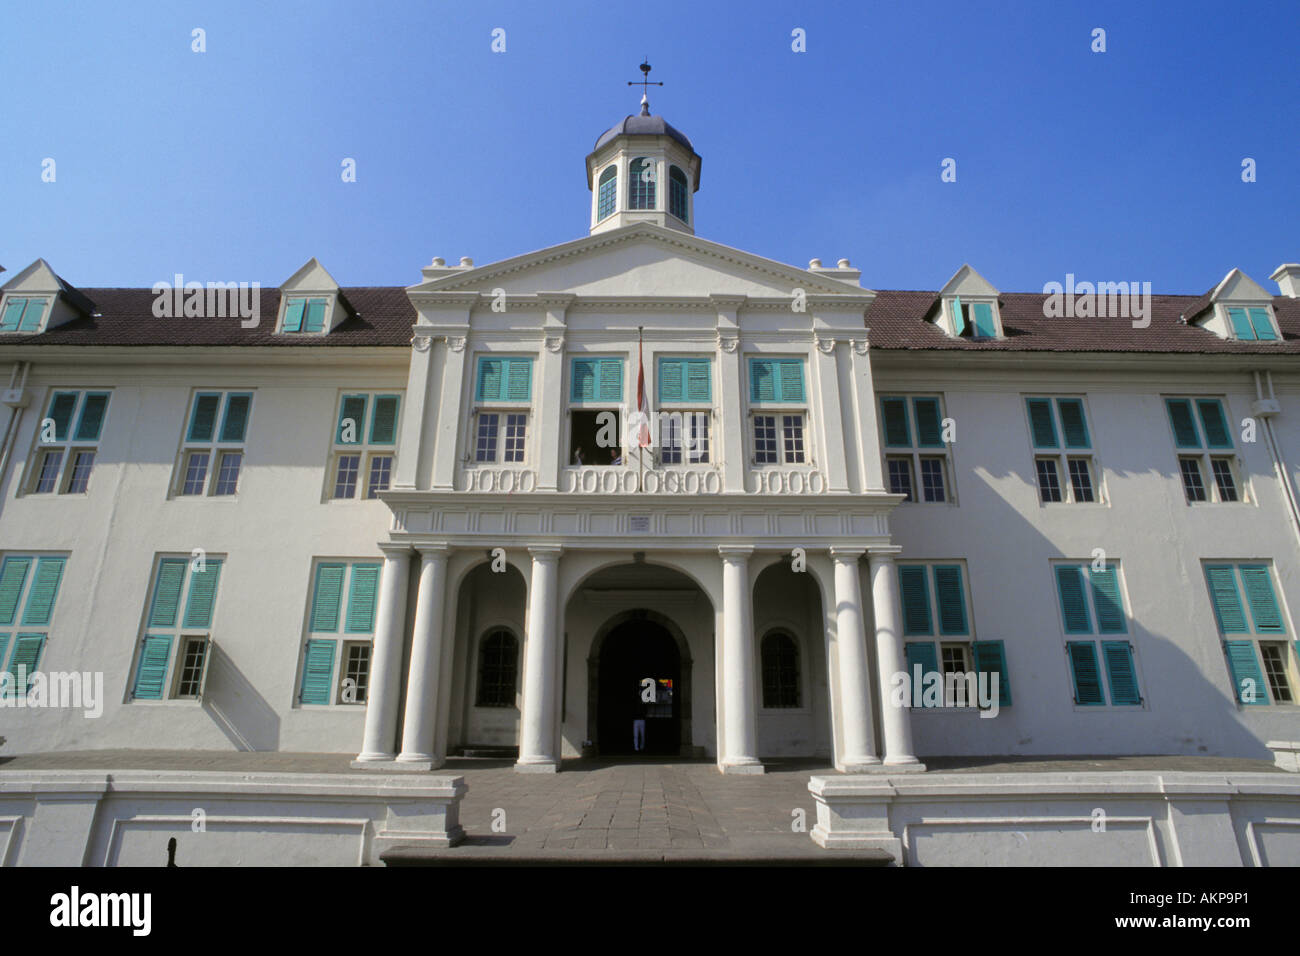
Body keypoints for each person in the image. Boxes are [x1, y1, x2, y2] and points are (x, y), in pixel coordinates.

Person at [632, 679, 648, 752]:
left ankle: (641, 747)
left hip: (642, 719)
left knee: (642, 735)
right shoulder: (635, 701)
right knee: (636, 735)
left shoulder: (643, 701)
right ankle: (636, 748)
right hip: (636, 719)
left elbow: (645, 710)